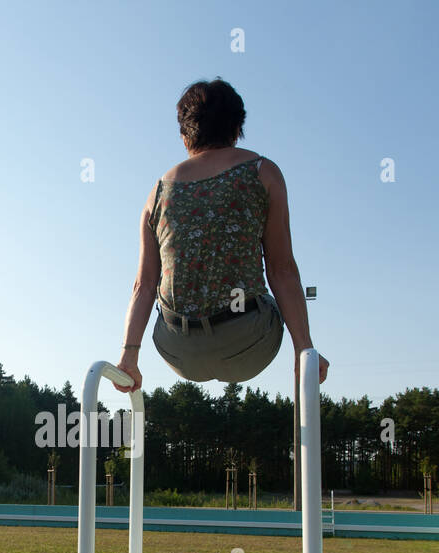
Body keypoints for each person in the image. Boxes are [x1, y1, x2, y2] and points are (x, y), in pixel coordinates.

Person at [112, 77, 327, 395]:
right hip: (247, 340)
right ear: (237, 128)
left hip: (177, 348)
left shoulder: (157, 193)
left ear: (185, 134)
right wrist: (304, 350)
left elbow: (143, 285)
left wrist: (128, 357)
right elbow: (282, 270)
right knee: (270, 296)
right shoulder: (261, 172)